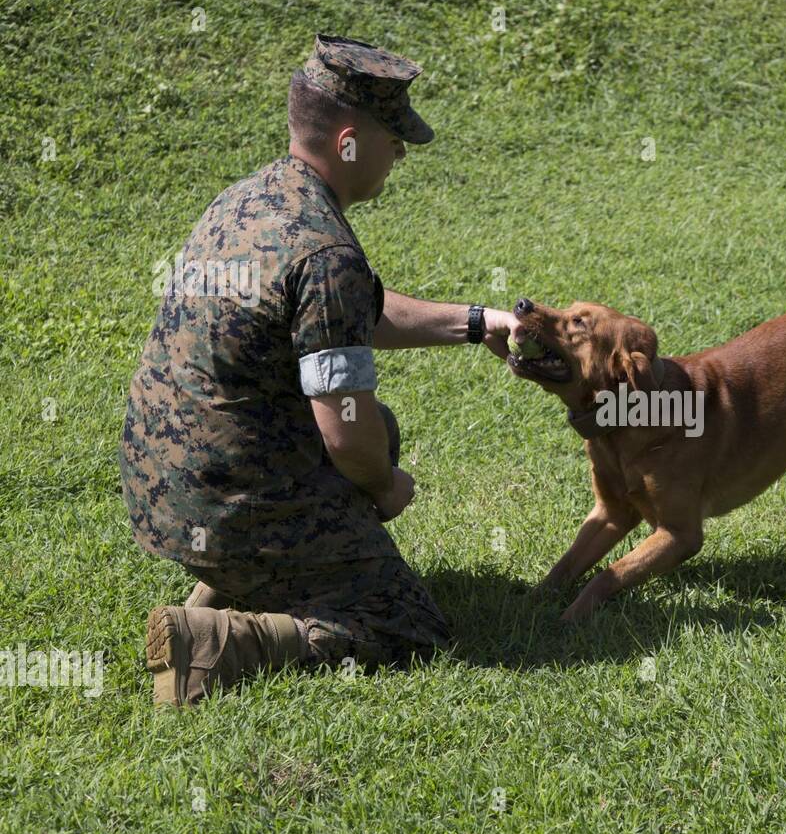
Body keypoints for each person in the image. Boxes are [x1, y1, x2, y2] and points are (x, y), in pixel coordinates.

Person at [121, 34, 515, 706]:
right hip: (232, 501)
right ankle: (216, 645)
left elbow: (359, 314)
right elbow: (345, 435)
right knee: (407, 623)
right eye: (396, 136)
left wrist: (479, 323)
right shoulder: (325, 251)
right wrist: (385, 485)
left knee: (379, 428)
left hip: (159, 481)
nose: (403, 151)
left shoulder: (251, 199)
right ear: (351, 139)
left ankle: (242, 576)